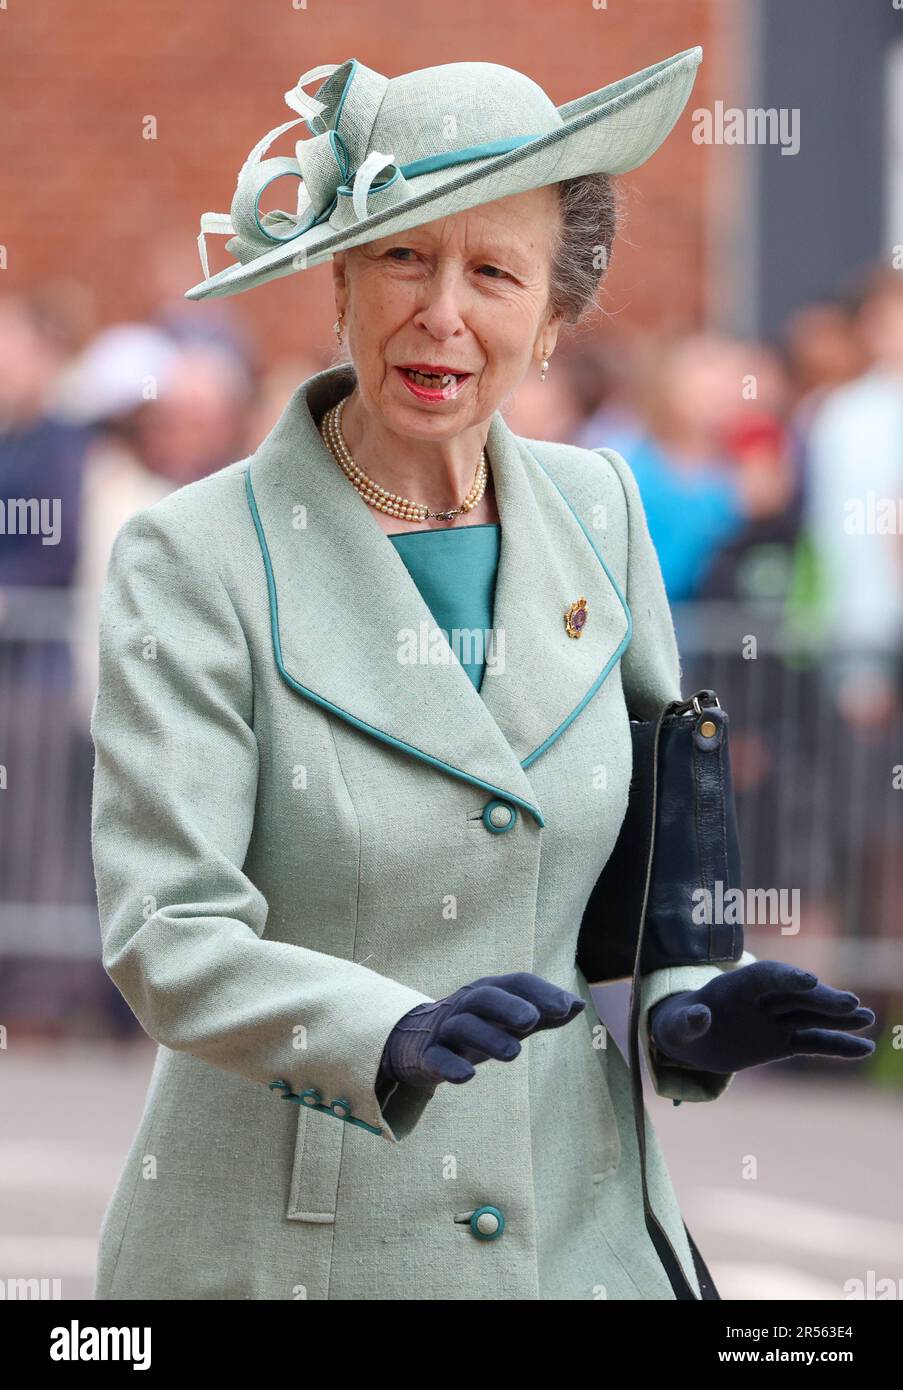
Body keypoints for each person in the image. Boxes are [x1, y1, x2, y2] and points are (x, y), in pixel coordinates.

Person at [90, 50, 875, 1302]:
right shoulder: (192, 556)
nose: (441, 312)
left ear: (555, 322)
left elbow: (662, 807)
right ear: (336, 278)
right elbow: (165, 928)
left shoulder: (601, 506)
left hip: (581, 1223)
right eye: (405, 256)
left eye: (494, 272)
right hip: (299, 1238)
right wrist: (380, 1032)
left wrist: (688, 1003)